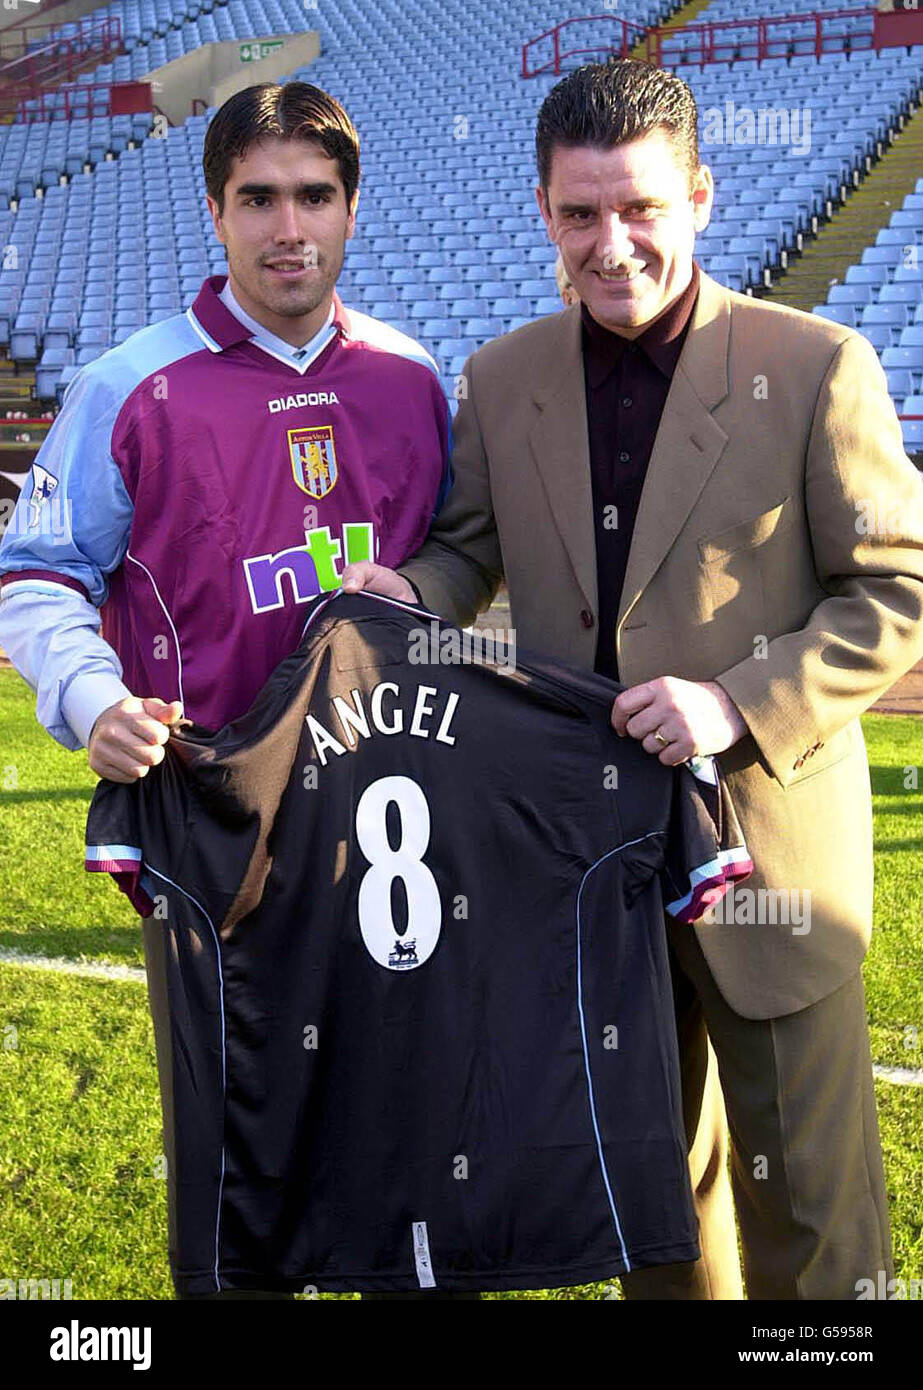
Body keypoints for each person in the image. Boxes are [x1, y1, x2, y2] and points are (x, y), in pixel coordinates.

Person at [342, 58, 923, 1300]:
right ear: (543, 212)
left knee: (810, 1213)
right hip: (584, 866)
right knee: (649, 1201)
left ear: (700, 198)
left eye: (641, 207)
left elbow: (898, 592)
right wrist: (411, 600)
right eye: (580, 213)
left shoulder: (816, 366)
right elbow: (463, 553)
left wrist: (736, 703)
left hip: (766, 860)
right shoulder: (501, 378)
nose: (611, 245)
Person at [0, 80, 452, 1299]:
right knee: (234, 1159)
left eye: (314, 195)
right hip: (212, 832)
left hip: (385, 823)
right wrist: (90, 698)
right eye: (258, 198)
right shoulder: (131, 385)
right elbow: (36, 576)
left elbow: (459, 569)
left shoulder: (412, 380)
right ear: (216, 211)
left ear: (352, 210)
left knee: (400, 1137)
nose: (287, 227)